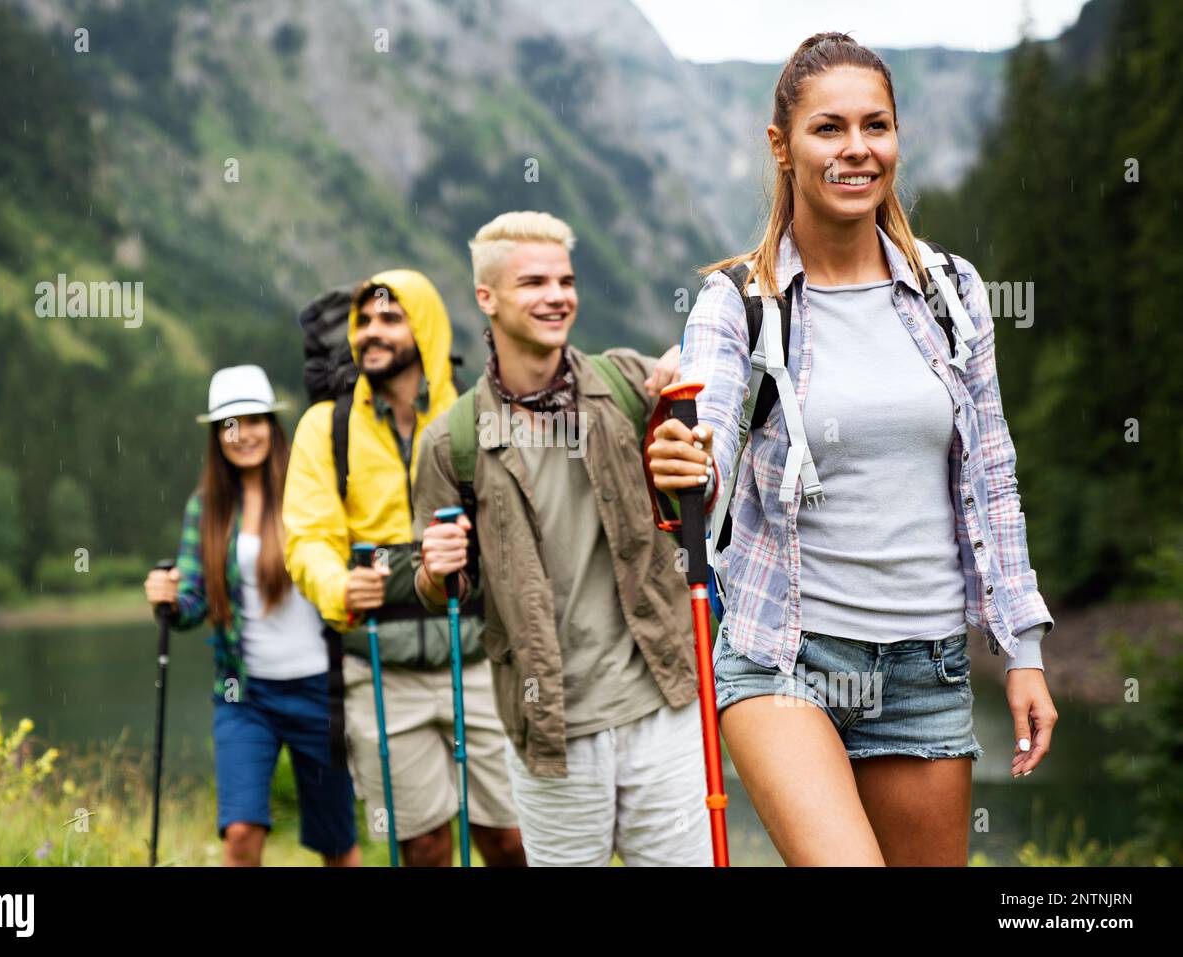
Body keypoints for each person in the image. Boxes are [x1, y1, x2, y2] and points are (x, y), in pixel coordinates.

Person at [648, 32, 1057, 866]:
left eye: (876, 126)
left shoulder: (953, 294)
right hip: (784, 654)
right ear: (782, 145)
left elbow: (992, 475)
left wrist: (1023, 651)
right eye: (828, 128)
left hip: (929, 667)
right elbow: (710, 442)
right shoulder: (737, 304)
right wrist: (687, 464)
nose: (856, 149)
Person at [412, 210, 710, 867]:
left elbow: (703, 497)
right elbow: (441, 590)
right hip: (550, 731)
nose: (557, 295)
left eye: (566, 279)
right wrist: (435, 572)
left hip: (663, 708)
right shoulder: (450, 442)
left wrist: (694, 401)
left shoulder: (634, 386)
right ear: (486, 298)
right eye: (534, 281)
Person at [283, 269, 525, 867]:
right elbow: (306, 537)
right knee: (420, 846)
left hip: (481, 662)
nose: (371, 332)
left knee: (512, 838)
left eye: (390, 319)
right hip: (378, 668)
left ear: (424, 329)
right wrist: (338, 585)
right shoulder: (325, 427)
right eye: (363, 321)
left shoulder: (476, 415)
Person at [143, 364, 359, 867]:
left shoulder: (310, 491)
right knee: (240, 833)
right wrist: (170, 599)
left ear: (272, 425)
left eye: (254, 420)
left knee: (338, 844)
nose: (244, 435)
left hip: (320, 689)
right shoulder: (206, 508)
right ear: (217, 437)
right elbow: (193, 603)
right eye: (230, 425)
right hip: (244, 694)